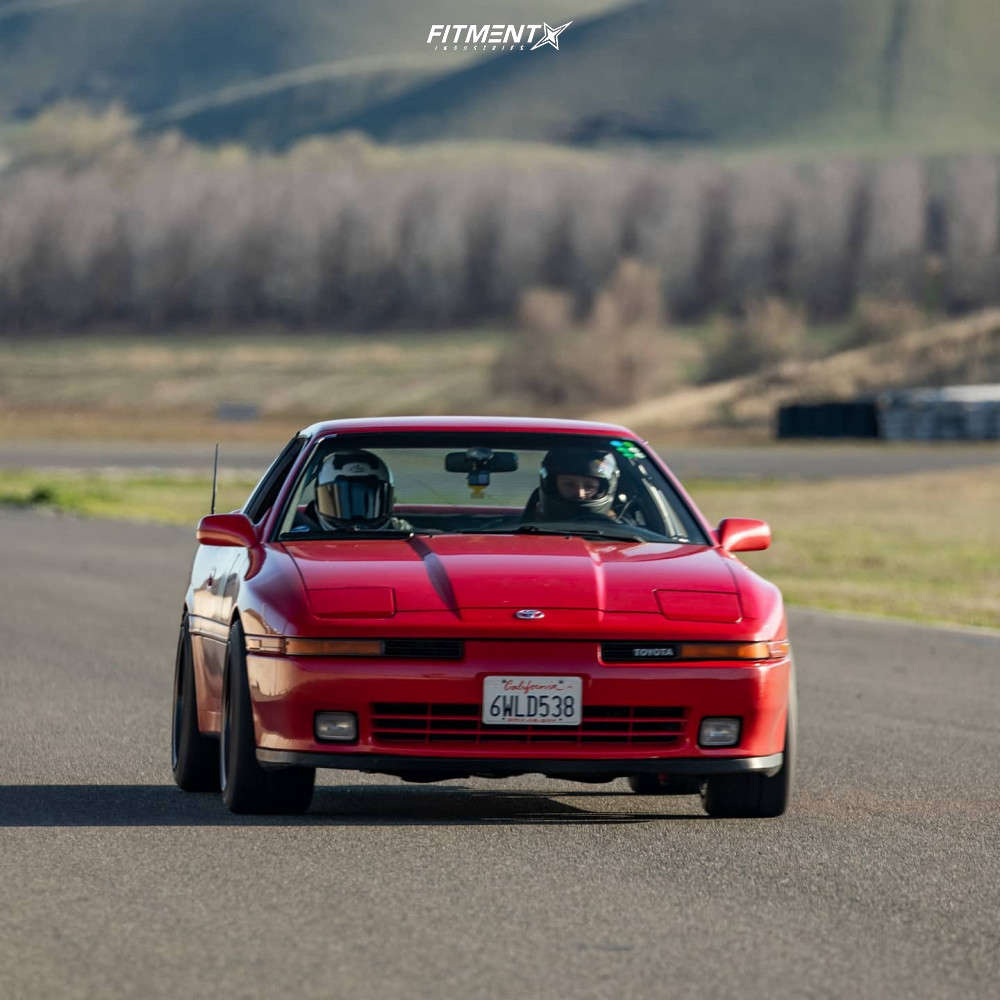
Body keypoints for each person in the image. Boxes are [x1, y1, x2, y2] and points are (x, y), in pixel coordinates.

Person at [293, 450, 413, 533]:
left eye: (364, 501)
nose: (355, 525)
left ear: (388, 502)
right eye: (343, 500)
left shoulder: (403, 535)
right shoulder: (298, 538)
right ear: (319, 502)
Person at [526, 447, 621, 522]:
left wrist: (610, 525)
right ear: (553, 486)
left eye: (589, 487)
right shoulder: (526, 529)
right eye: (569, 485)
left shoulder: (625, 533)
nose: (580, 494)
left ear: (601, 489)